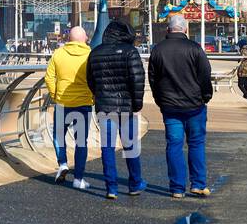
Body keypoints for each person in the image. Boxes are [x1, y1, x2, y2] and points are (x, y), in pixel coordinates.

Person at [148, 14, 213, 198]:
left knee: (174, 145)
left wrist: (160, 99)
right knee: (196, 144)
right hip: (194, 105)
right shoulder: (195, 49)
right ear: (186, 30)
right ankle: (198, 184)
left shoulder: (158, 50)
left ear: (168, 30)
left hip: (170, 107)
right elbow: (204, 75)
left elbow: (153, 79)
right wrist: (205, 96)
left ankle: (177, 188)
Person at [85, 19, 147, 199]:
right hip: (126, 107)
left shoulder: (95, 53)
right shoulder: (130, 52)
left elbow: (90, 80)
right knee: (130, 146)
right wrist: (136, 104)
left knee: (107, 147)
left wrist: (100, 95)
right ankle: (135, 183)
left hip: (104, 106)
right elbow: (137, 80)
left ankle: (111, 188)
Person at [44, 25, 94, 190]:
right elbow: (95, 78)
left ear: (69, 39)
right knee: (81, 142)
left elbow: (49, 78)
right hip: (84, 103)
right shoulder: (89, 54)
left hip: (63, 102)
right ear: (83, 38)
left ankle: (63, 162)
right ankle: (78, 179)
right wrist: (92, 97)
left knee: (58, 135)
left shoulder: (58, 54)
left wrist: (55, 95)